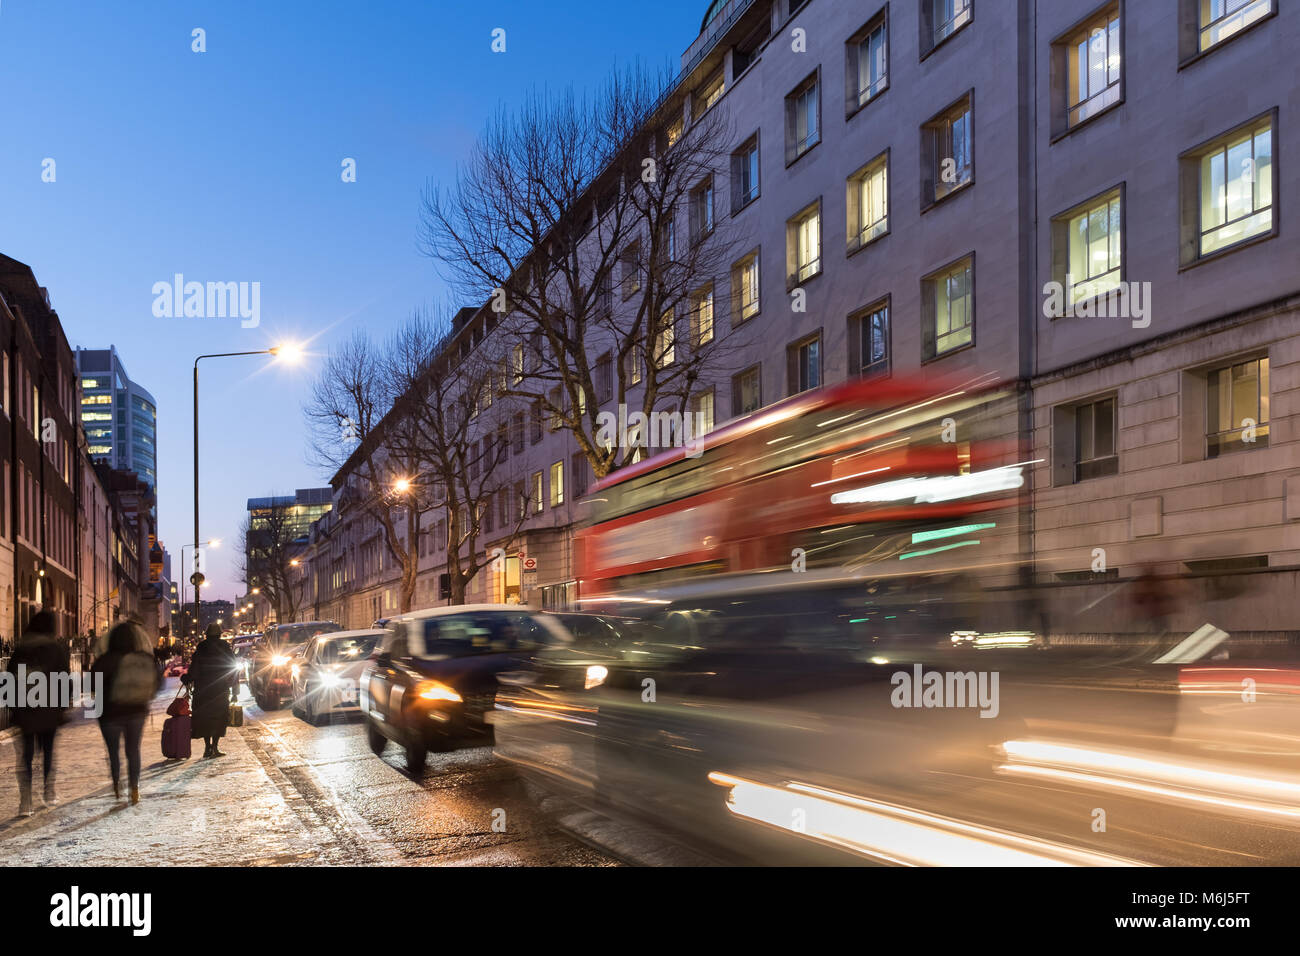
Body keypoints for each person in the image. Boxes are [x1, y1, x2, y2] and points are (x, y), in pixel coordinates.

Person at [5, 610, 71, 816]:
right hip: (49, 709)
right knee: (48, 752)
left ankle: (25, 801)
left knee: (25, 755)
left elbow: (9, 679)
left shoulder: (21, 649)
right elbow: (64, 679)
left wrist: (11, 705)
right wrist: (63, 706)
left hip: (25, 710)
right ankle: (48, 791)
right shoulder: (56, 649)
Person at [91, 622, 161, 804]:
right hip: (137, 711)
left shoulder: (105, 660)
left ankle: (116, 785)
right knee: (133, 750)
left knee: (113, 752)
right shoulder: (144, 658)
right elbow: (157, 684)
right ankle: (135, 789)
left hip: (109, 713)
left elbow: (91, 685)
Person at [183, 623, 239, 758]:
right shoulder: (225, 649)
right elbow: (234, 670)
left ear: (207, 635)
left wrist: (186, 678)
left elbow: (194, 672)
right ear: (219, 635)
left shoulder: (201, 649)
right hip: (220, 690)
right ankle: (215, 747)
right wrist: (235, 692)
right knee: (219, 718)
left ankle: (207, 747)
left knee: (204, 719)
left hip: (203, 691)